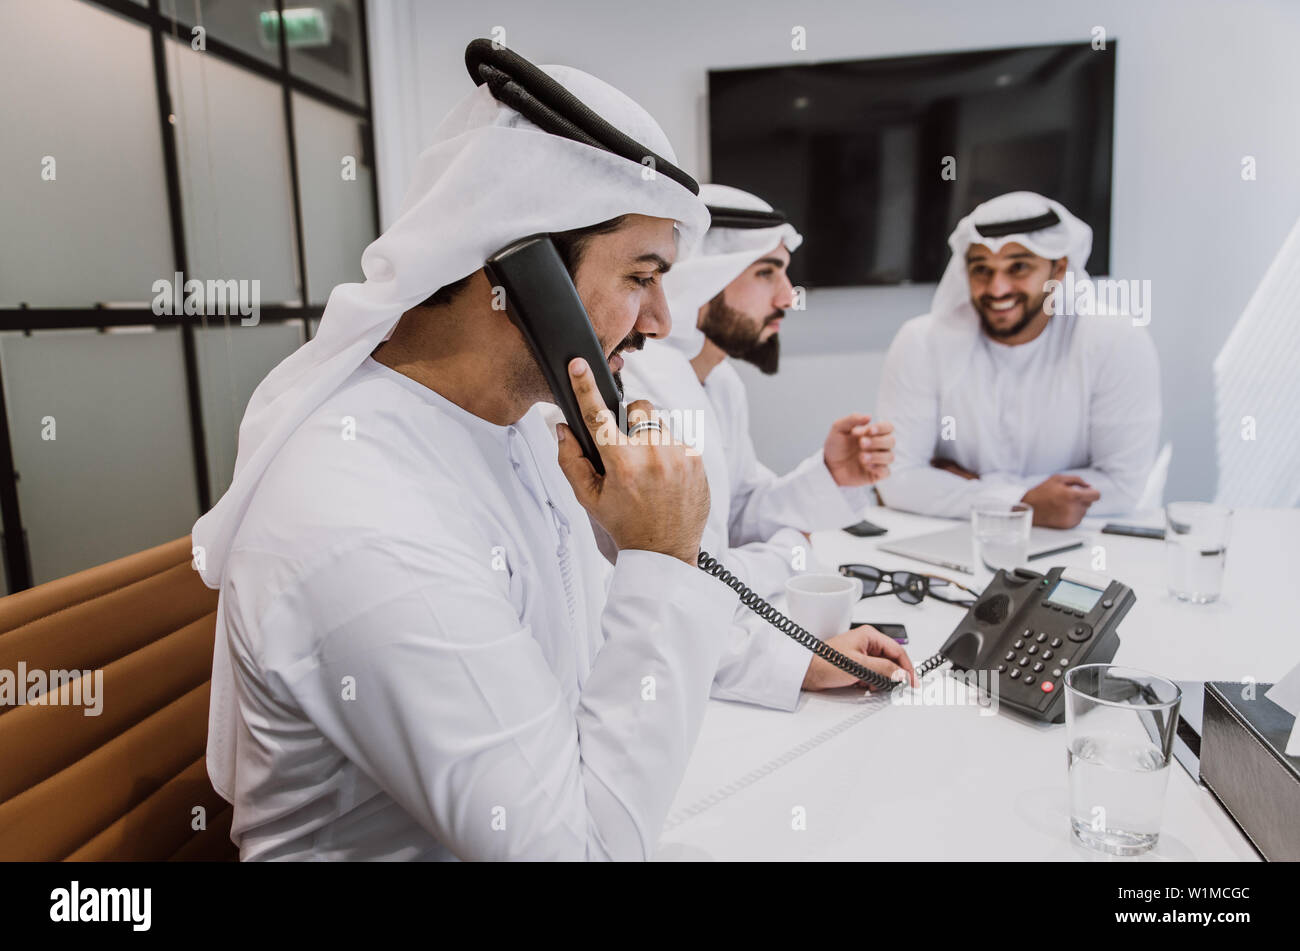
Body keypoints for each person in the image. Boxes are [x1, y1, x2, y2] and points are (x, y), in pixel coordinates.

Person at [190, 44, 914, 862]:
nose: (662, 323)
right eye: (642, 277)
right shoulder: (363, 517)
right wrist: (662, 553)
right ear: (525, 273)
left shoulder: (522, 427)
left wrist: (786, 660)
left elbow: (606, 623)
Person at [620, 184, 895, 602]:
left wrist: (832, 476)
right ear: (701, 277)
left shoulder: (721, 380)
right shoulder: (642, 389)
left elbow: (740, 513)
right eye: (766, 272)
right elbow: (691, 575)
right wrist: (792, 554)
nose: (788, 296)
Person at [875, 192, 1161, 528]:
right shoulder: (921, 342)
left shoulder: (1115, 341)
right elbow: (896, 481)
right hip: (955, 536)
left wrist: (980, 491)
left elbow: (1122, 486)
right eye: (981, 269)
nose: (997, 289)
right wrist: (1024, 502)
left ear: (1059, 268)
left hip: (1080, 543)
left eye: (1019, 267)